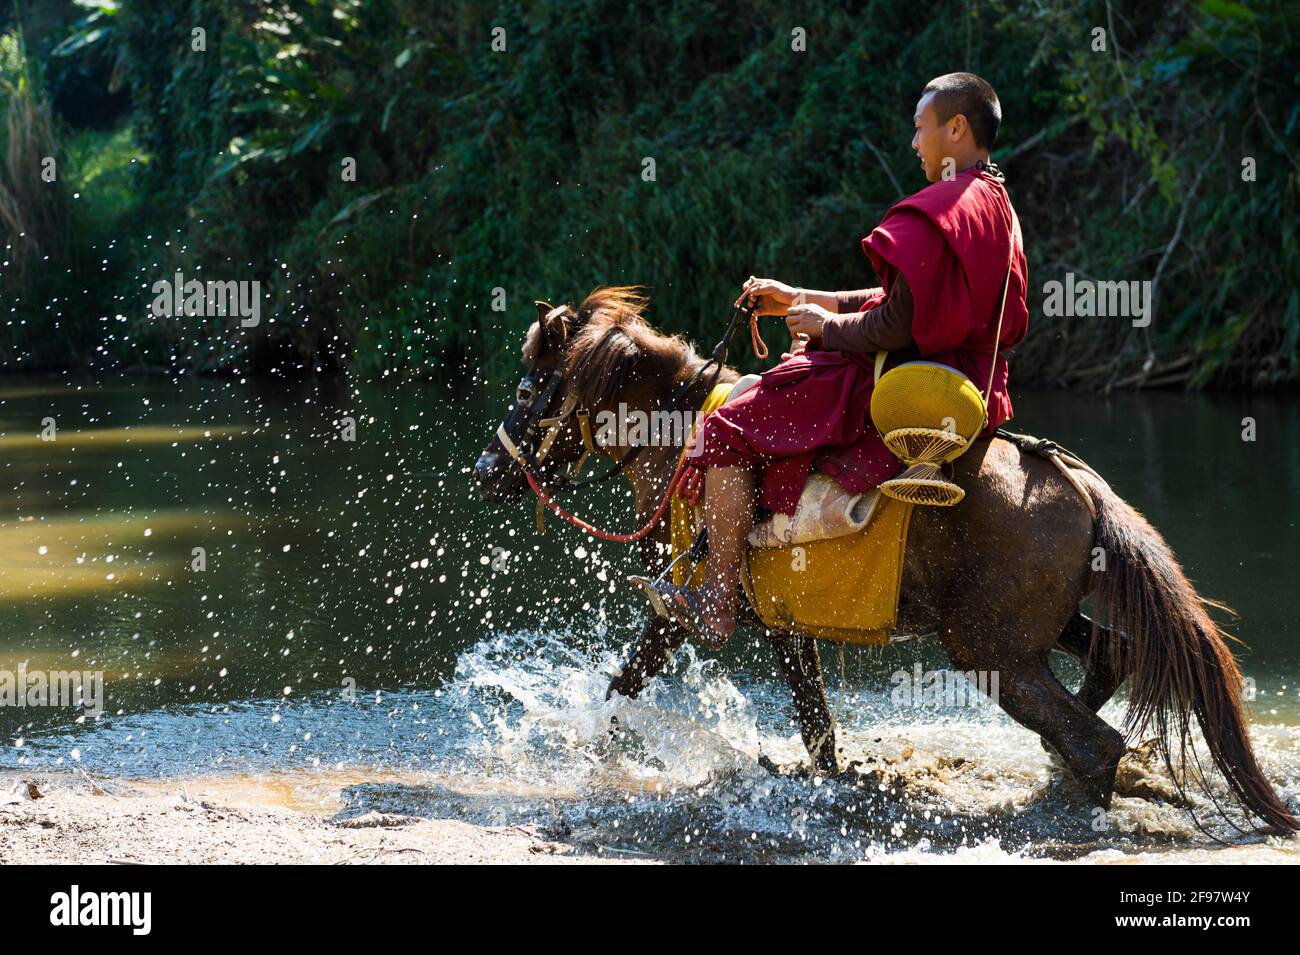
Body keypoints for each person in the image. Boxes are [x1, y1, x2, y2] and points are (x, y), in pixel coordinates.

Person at [632, 72, 1029, 642]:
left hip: (905, 381)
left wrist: (829, 329)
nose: (915, 144)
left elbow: (894, 323)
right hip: (975, 388)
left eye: (921, 129)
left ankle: (717, 600)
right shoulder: (994, 204)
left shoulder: (937, 205)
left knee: (722, 429)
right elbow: (902, 303)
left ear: (957, 127)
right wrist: (801, 299)